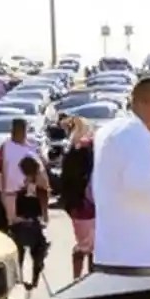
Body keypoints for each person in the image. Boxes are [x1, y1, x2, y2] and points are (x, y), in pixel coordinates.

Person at [90, 76, 150, 273]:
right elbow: (141, 185)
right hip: (137, 256)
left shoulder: (111, 130)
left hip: (112, 251)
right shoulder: (135, 133)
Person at [59, 117, 96, 279]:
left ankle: (78, 278)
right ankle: (87, 279)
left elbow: (65, 181)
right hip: (88, 205)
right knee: (89, 247)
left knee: (87, 245)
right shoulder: (86, 150)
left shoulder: (72, 151)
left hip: (79, 206)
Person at [10, 156, 50, 290]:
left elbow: (16, 209)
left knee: (19, 251)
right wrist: (45, 218)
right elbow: (44, 208)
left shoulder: (21, 187)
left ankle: (18, 277)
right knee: (38, 251)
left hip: (21, 223)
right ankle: (35, 279)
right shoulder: (40, 189)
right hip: (34, 223)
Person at [0, 118, 45, 228]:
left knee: (29, 219)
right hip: (10, 189)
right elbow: (2, 165)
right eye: (16, 129)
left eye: (22, 129)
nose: (20, 132)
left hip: (27, 189)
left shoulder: (31, 146)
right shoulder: (6, 146)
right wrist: (3, 187)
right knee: (11, 221)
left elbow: (38, 166)